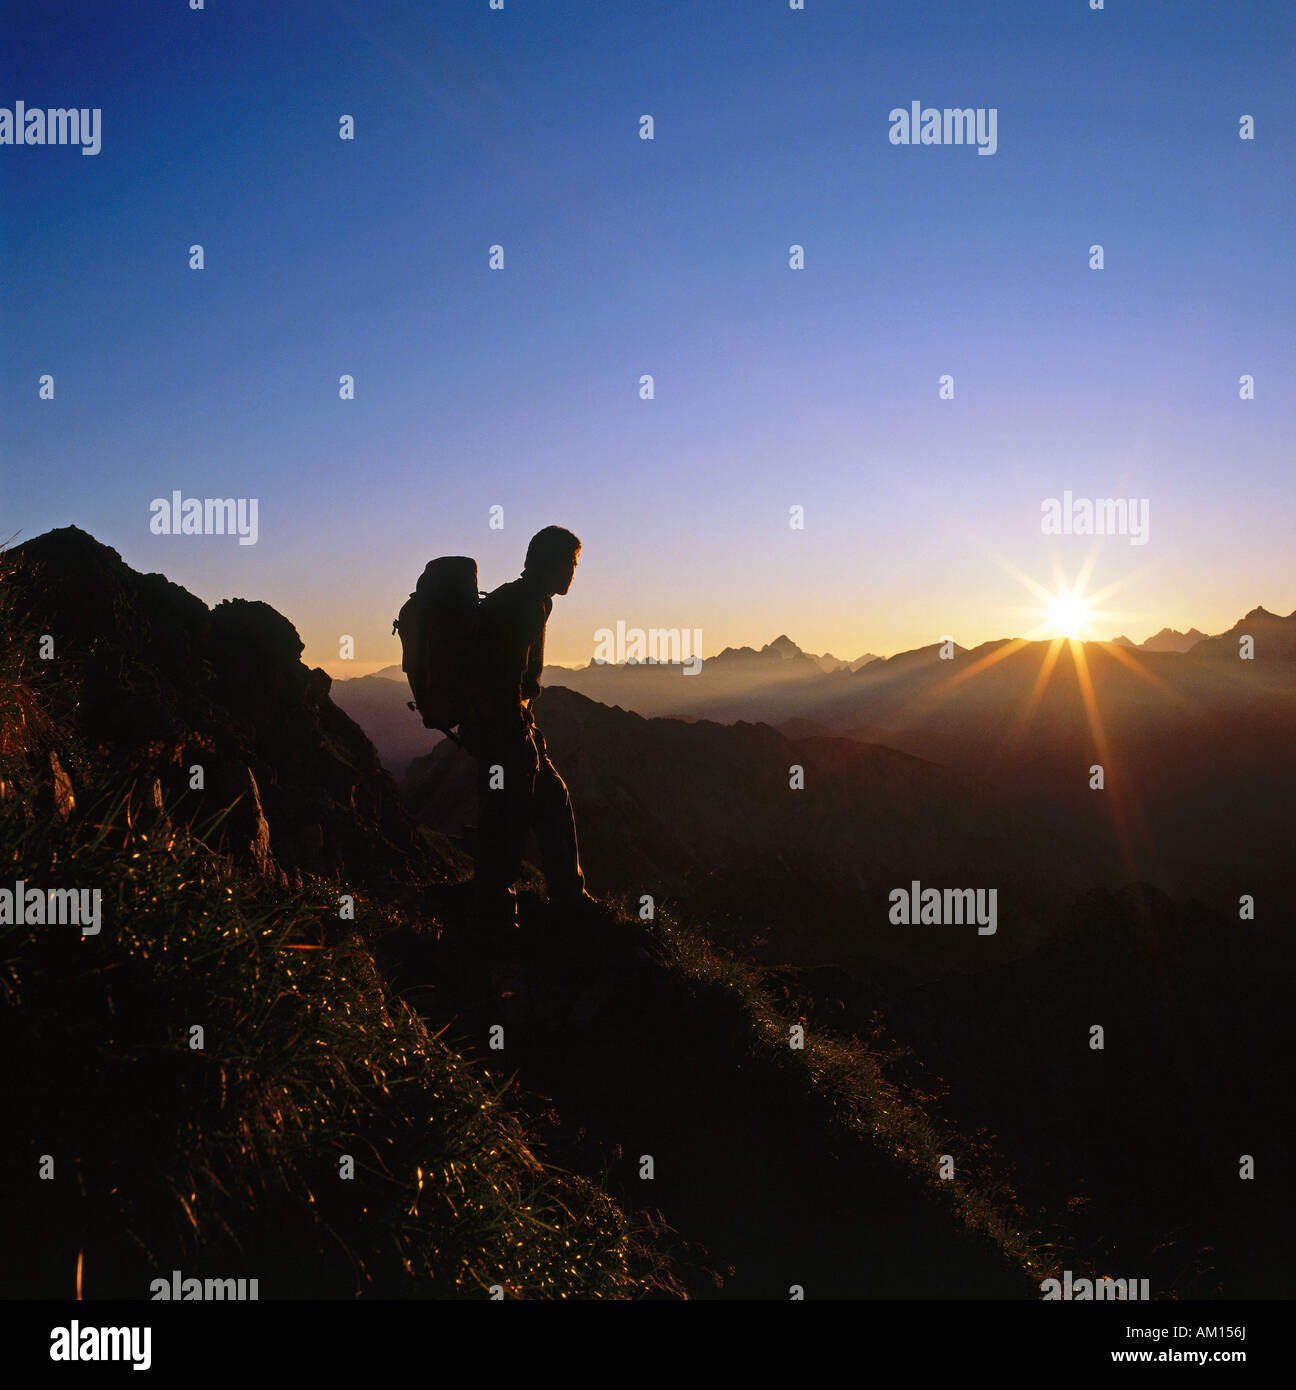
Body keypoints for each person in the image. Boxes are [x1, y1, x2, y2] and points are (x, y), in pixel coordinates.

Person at [461, 526, 594, 929]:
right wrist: (518, 732)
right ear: (551, 563)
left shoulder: (517, 597)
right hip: (502, 727)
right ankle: (496, 914)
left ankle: (568, 896)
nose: (573, 572)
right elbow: (504, 675)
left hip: (500, 722)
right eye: (571, 563)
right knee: (508, 813)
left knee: (550, 799)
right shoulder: (528, 604)